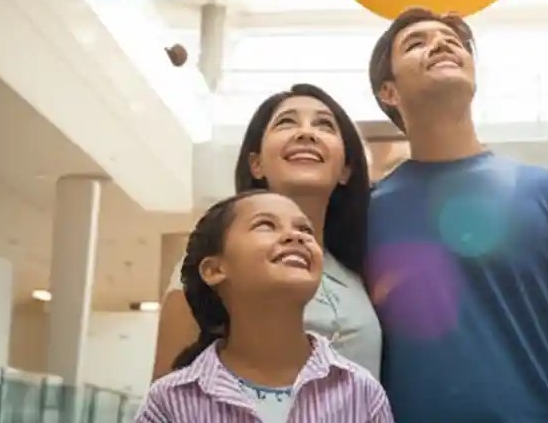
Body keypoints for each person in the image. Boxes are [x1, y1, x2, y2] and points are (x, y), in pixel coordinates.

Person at [365, 7, 548, 422]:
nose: (440, 44)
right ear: (388, 92)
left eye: (453, 41)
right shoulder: (365, 213)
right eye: (416, 43)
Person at [152, 84, 382, 379]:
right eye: (286, 122)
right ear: (256, 164)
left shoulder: (361, 267)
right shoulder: (219, 259)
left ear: (345, 170)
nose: (306, 133)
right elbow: (169, 392)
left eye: (324, 125)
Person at [137, 190, 393, 422]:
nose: (296, 236)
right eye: (265, 225)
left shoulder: (363, 394)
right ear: (214, 270)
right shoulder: (169, 403)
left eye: (306, 230)